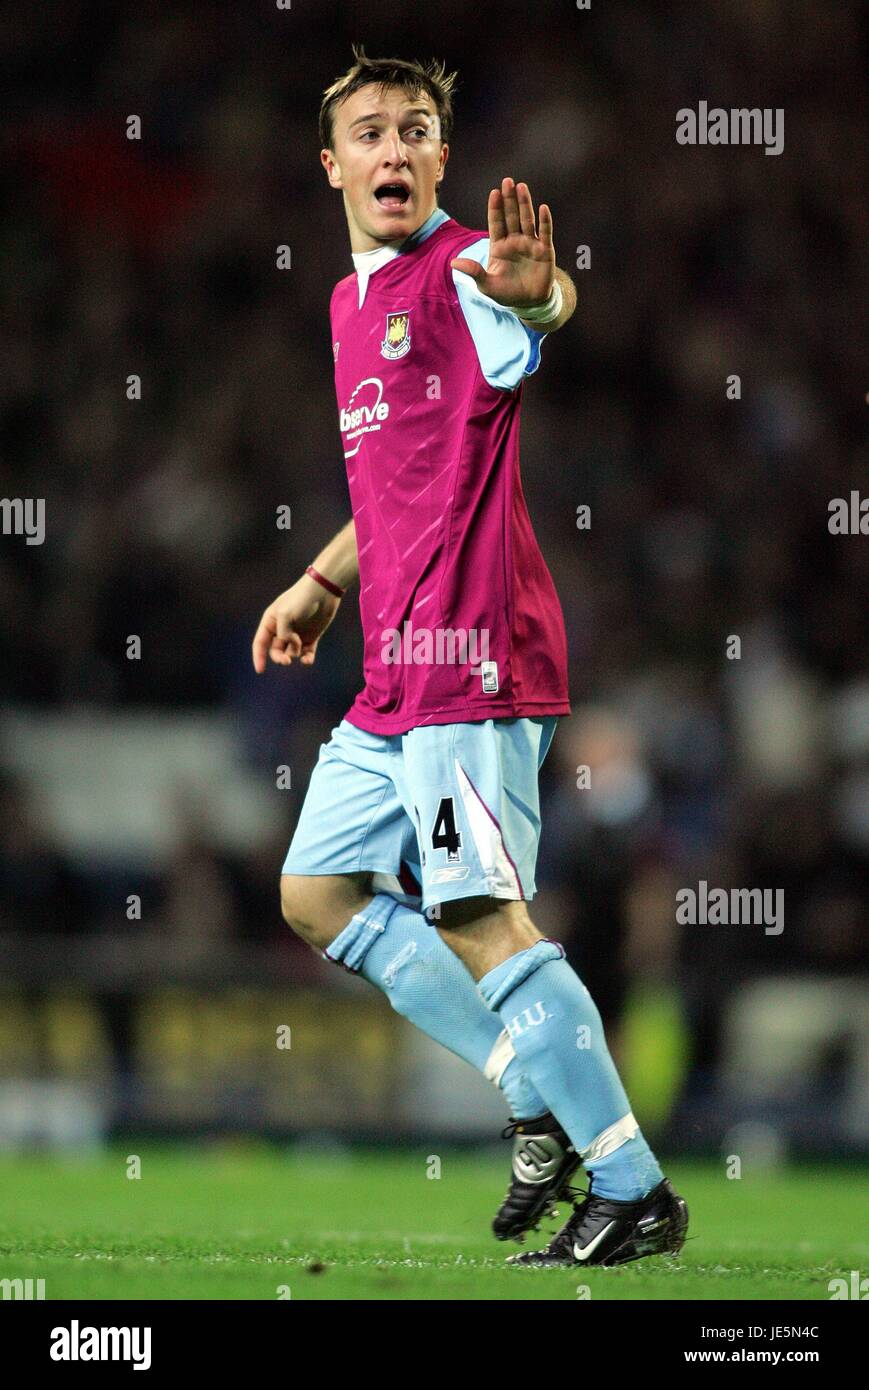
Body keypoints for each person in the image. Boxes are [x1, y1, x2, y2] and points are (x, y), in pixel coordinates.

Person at [252, 44, 687, 1266]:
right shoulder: (347, 303)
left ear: (442, 156)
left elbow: (531, 312)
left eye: (416, 129)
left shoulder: (459, 271)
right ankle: (528, 1081)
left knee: (483, 918)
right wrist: (324, 577)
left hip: (468, 659)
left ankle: (634, 1185)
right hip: (394, 667)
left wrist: (538, 294)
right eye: (371, 131)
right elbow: (393, 479)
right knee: (315, 890)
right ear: (329, 162)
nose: (394, 149)